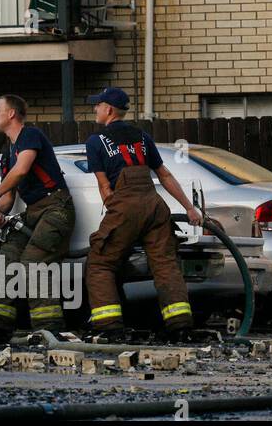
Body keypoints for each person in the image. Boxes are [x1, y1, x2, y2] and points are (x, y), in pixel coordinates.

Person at [82, 87, 205, 342]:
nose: (95, 110)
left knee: (100, 263)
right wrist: (190, 209)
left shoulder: (96, 141)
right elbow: (164, 175)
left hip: (125, 205)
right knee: (166, 265)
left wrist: (116, 215)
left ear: (108, 109)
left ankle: (109, 327)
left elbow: (104, 186)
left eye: (97, 105)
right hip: (154, 204)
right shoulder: (142, 136)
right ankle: (180, 325)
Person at [0, 94, 76, 343]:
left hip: (56, 208)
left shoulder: (30, 136)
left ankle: (49, 328)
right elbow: (10, 196)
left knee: (34, 261)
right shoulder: (6, 153)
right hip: (34, 211)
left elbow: (21, 171)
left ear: (12, 114)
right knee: (7, 256)